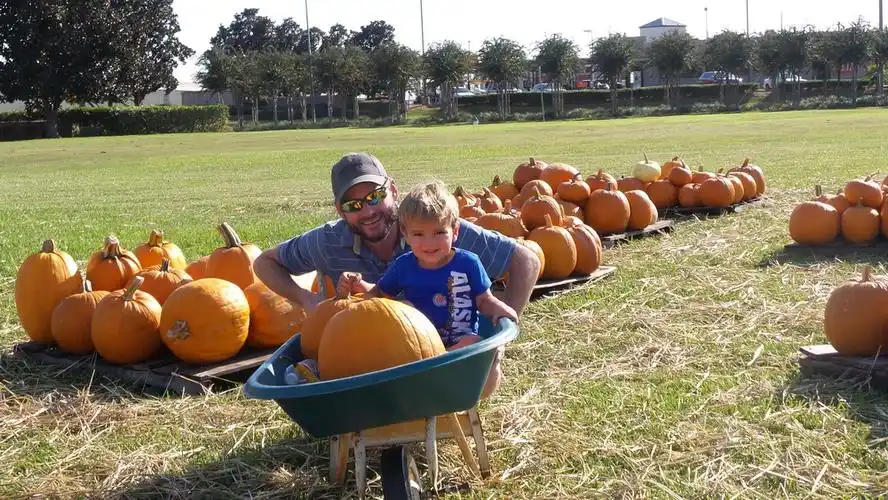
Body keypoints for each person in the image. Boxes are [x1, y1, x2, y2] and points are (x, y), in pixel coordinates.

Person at [253, 152, 541, 396]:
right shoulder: (326, 242)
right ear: (340, 211)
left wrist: (500, 333)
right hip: (357, 363)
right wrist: (306, 299)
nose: (367, 211)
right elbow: (264, 263)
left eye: (374, 196)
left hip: (432, 356)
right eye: (353, 205)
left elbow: (525, 260)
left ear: (393, 189)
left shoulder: (435, 229)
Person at [336, 180, 519, 351]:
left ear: (454, 232)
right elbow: (381, 295)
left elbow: (484, 300)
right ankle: (435, 357)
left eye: (439, 232)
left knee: (478, 344)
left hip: (461, 344)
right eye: (419, 234)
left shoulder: (468, 263)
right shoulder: (403, 266)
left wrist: (499, 308)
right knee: (404, 308)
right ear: (405, 235)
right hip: (418, 344)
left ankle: (446, 356)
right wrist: (359, 288)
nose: (429, 242)